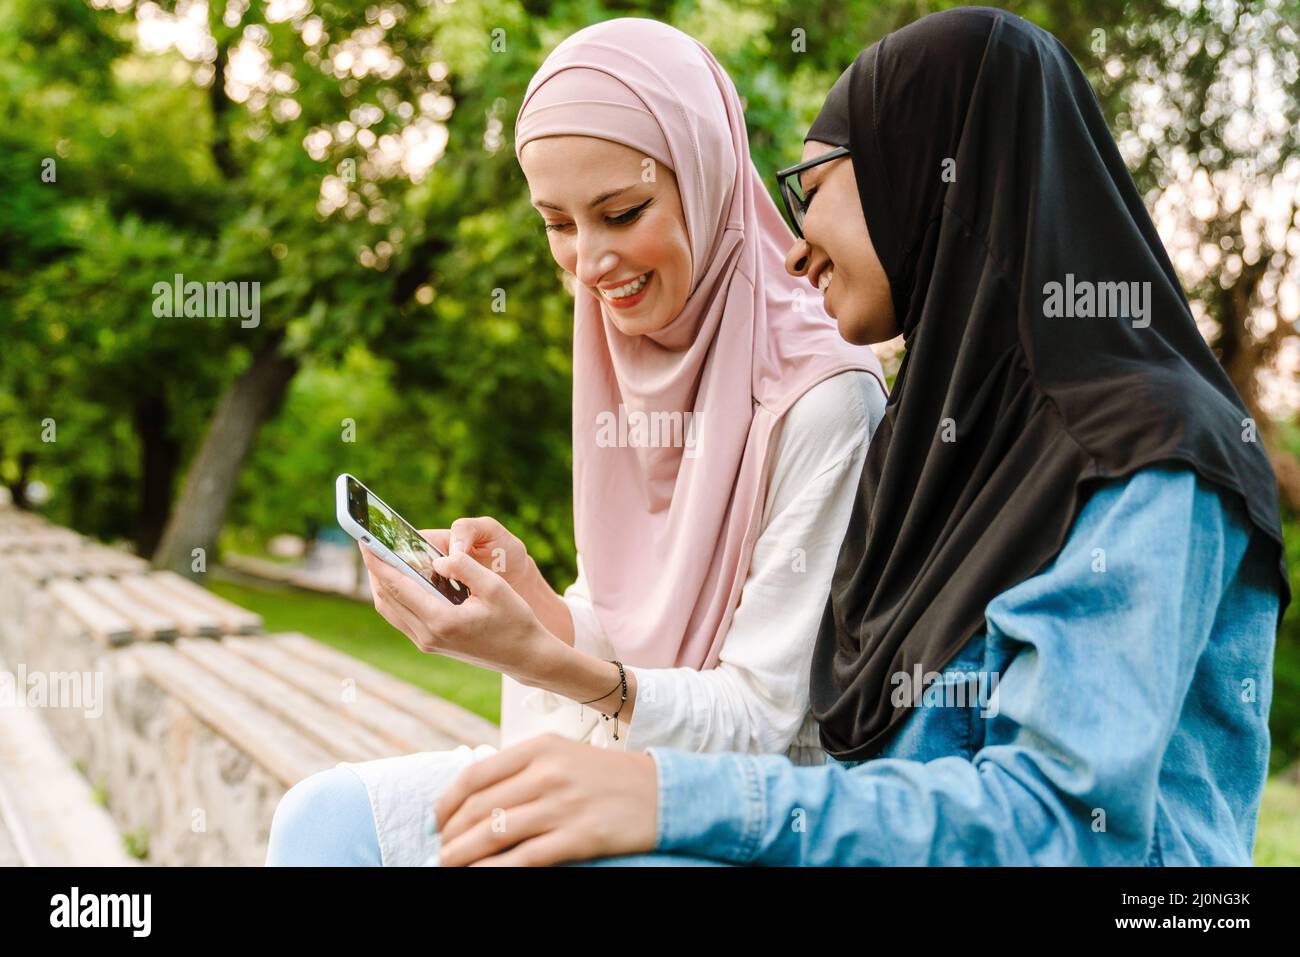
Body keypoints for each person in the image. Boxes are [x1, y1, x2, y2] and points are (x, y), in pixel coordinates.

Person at [419, 6, 1290, 867]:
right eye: (558, 223)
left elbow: (1062, 826)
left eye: (813, 188)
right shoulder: (952, 447)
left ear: (925, 174)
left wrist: (669, 796)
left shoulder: (1150, 453)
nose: (794, 250)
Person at [264, 17, 888, 867]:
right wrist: (536, 607)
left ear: (704, 180)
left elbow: (757, 720)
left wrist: (538, 657)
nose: (590, 264)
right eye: (558, 223)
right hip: (609, 760)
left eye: (621, 212)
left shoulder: (824, 400)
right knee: (321, 821)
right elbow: (640, 622)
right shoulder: (627, 342)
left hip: (742, 816)